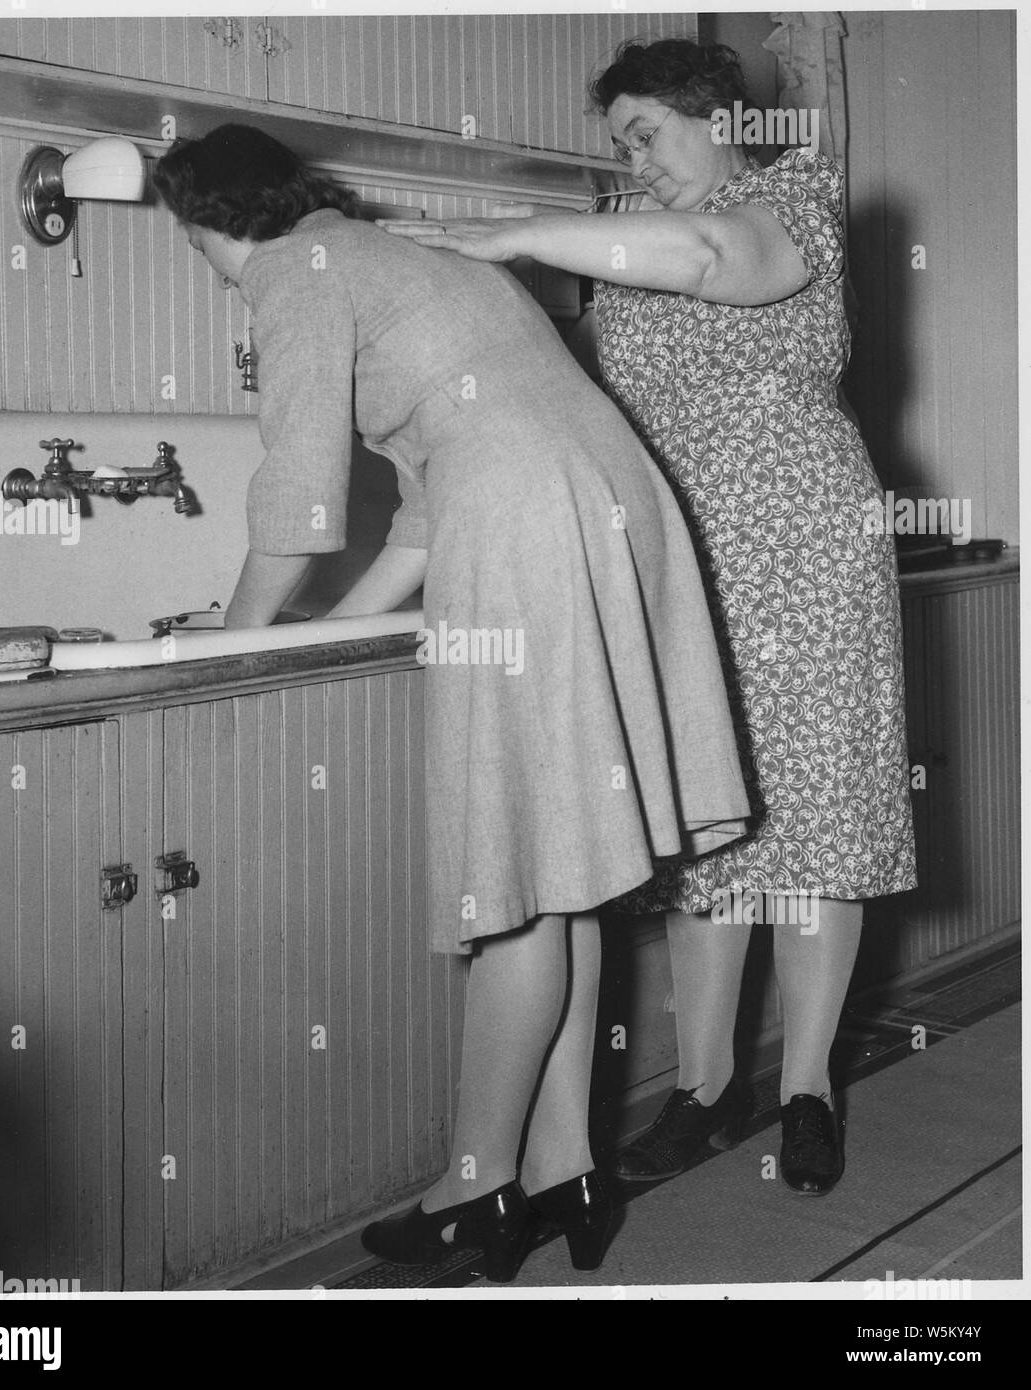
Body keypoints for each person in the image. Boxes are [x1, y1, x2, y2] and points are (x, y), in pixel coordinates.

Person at [153, 124, 750, 1279]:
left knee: (511, 878)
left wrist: (229, 645)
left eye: (199, 249)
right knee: (561, 860)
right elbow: (420, 509)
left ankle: (472, 1187)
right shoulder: (403, 259)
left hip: (523, 514)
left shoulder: (290, 269)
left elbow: (298, 490)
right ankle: (565, 1162)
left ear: (207, 227)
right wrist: (318, 631)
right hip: (603, 498)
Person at [382, 38, 917, 1197]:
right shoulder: (623, 241)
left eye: (646, 135)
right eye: (620, 145)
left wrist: (520, 231)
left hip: (801, 542)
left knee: (813, 815)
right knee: (701, 833)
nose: (633, 161)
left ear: (717, 116)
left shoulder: (790, 204)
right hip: (672, 554)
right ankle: (704, 1082)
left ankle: (809, 1086)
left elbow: (714, 258)